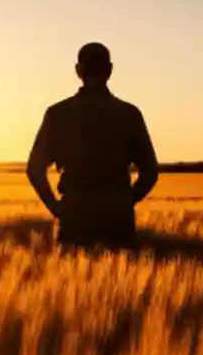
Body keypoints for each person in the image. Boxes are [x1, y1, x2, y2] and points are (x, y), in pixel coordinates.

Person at [26, 42, 158, 248]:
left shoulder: (58, 114)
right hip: (117, 218)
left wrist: (56, 207)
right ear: (110, 70)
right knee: (119, 278)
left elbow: (34, 169)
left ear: (78, 71)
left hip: (74, 214)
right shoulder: (129, 114)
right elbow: (150, 171)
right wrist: (125, 201)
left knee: (72, 278)